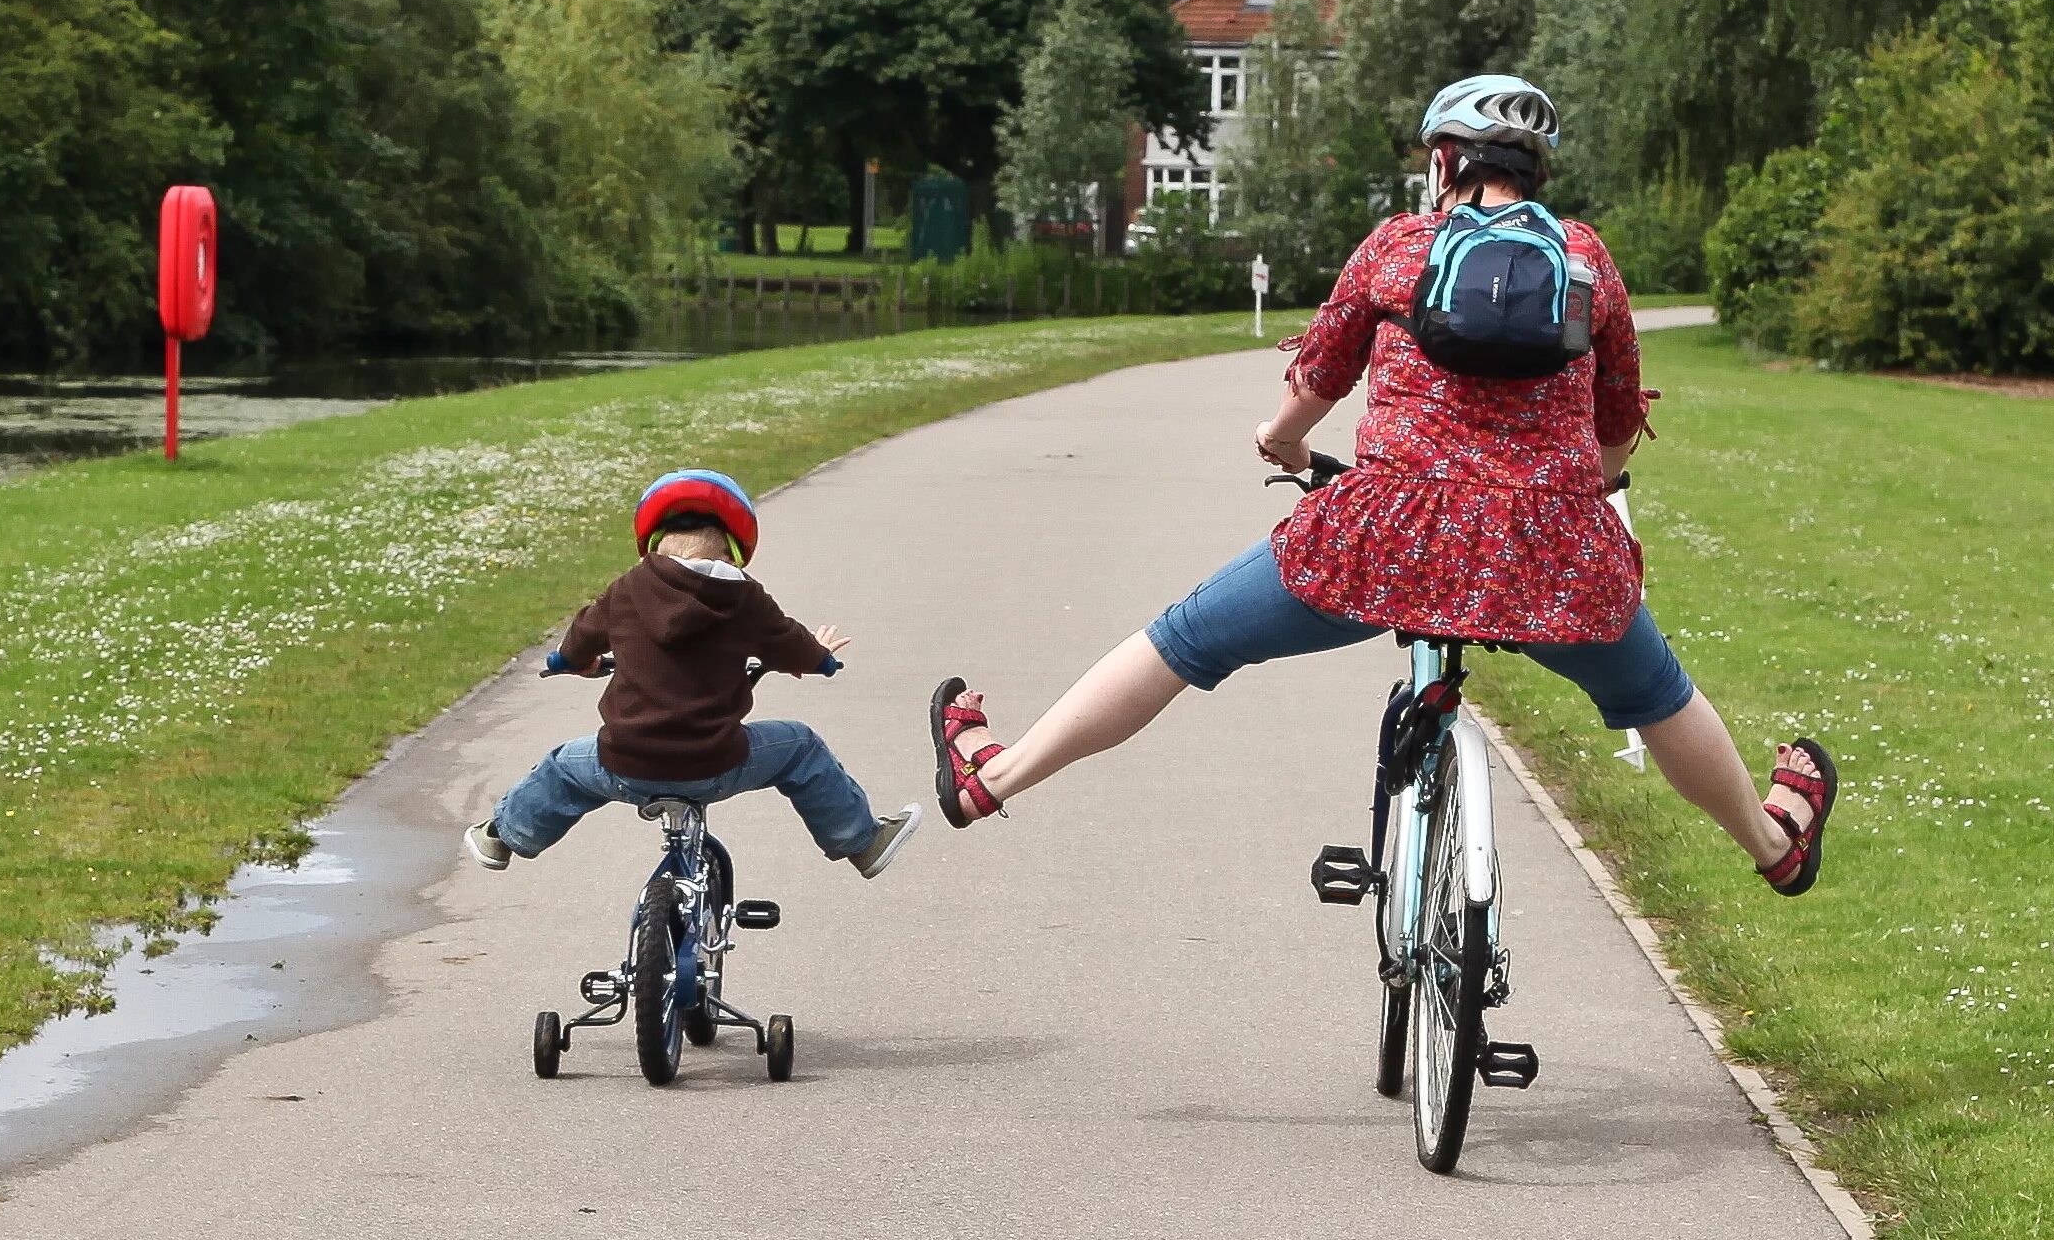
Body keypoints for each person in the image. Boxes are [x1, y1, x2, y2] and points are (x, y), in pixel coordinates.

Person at [927, 75, 1836, 895]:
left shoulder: (1397, 248)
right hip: (1551, 554)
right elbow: (1614, 427)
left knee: (1187, 639)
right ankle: (1773, 843)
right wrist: (1563, 494)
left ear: (1445, 162)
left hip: (1384, 541)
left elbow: (1312, 387)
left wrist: (1279, 442)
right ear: (1534, 171)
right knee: (1657, 694)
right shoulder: (1588, 260)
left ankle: (991, 779)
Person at [468, 469, 922, 878]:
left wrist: (568, 662)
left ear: (654, 543)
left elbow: (580, 640)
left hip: (625, 765)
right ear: (731, 546)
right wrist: (820, 658)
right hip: (718, 765)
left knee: (562, 768)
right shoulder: (745, 598)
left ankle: (504, 838)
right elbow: (790, 646)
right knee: (801, 746)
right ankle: (861, 844)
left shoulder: (627, 590)